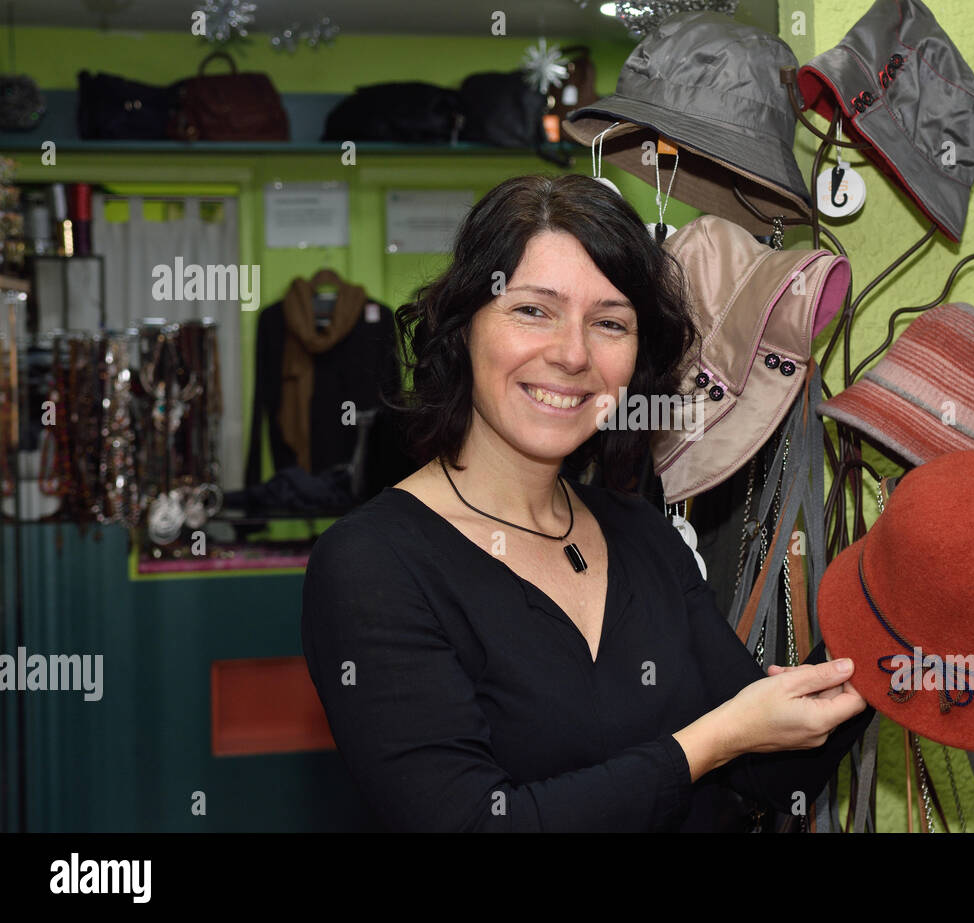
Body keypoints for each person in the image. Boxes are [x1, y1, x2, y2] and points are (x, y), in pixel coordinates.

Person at [300, 173, 874, 832]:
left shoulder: (640, 534)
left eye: (609, 322)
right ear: (462, 328)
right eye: (533, 310)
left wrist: (899, 603)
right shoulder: (372, 566)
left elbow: (771, 768)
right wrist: (710, 742)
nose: (573, 355)